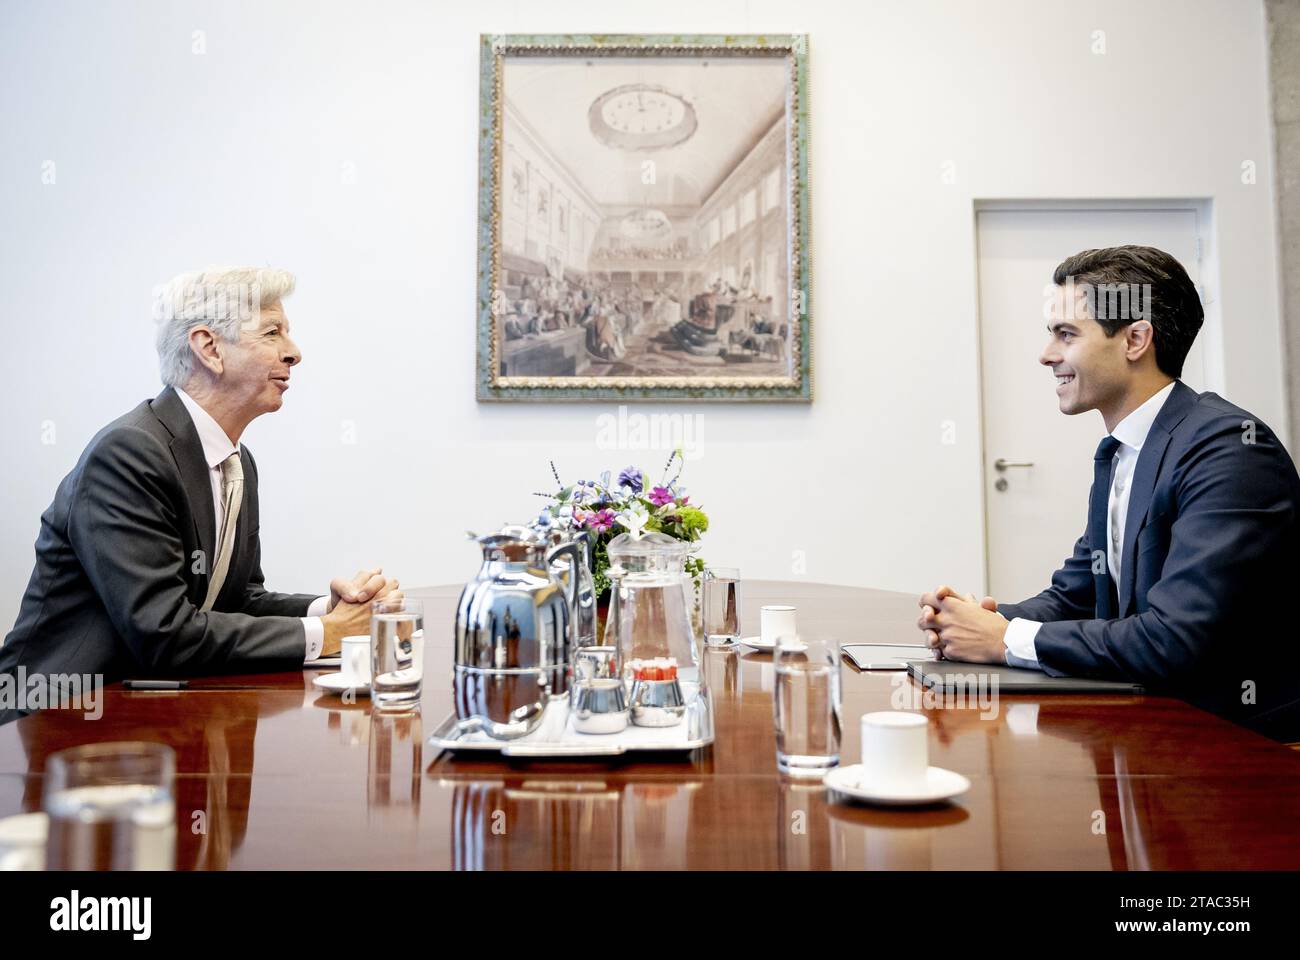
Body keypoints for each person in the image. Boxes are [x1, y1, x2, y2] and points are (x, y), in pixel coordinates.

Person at [918, 246, 1300, 742]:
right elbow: (1078, 596)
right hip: (1154, 732)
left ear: (1136, 339)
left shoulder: (1231, 450)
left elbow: (1176, 639)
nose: (1046, 354)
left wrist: (1006, 640)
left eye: (1066, 334)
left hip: (1240, 749)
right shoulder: (1121, 452)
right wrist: (974, 621)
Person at [0, 267, 397, 716]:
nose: (295, 353)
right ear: (209, 348)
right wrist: (328, 633)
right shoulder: (128, 453)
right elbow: (164, 634)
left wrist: (332, 609)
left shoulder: (236, 461)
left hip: (154, 713)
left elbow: (241, 600)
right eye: (273, 332)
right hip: (57, 724)